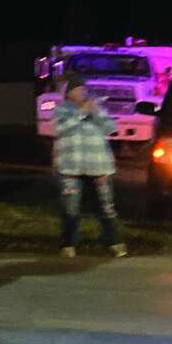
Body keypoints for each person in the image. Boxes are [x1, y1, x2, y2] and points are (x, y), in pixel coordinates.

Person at [52, 73, 128, 258]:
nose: (81, 92)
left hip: (99, 167)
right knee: (71, 208)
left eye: (82, 89)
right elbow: (60, 129)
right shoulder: (62, 110)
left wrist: (97, 112)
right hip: (70, 168)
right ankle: (69, 244)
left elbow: (111, 128)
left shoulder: (97, 107)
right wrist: (81, 113)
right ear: (68, 93)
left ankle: (114, 242)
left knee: (106, 207)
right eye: (76, 89)